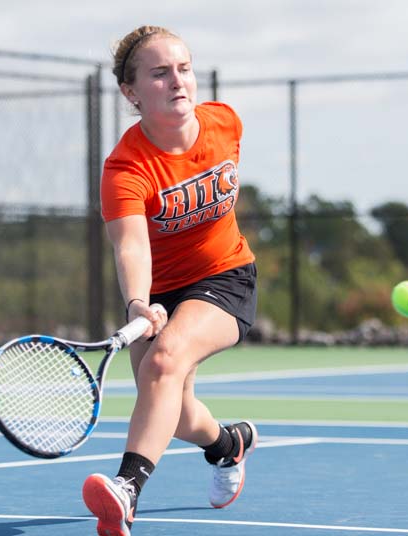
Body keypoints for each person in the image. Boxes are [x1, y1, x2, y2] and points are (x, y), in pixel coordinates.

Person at [81, 25, 259, 536]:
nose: (177, 81)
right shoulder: (125, 169)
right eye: (159, 73)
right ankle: (229, 444)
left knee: (163, 361)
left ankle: (125, 489)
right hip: (157, 293)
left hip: (226, 277)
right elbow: (131, 244)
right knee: (173, 409)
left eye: (184, 69)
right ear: (131, 92)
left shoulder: (225, 122)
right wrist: (139, 301)